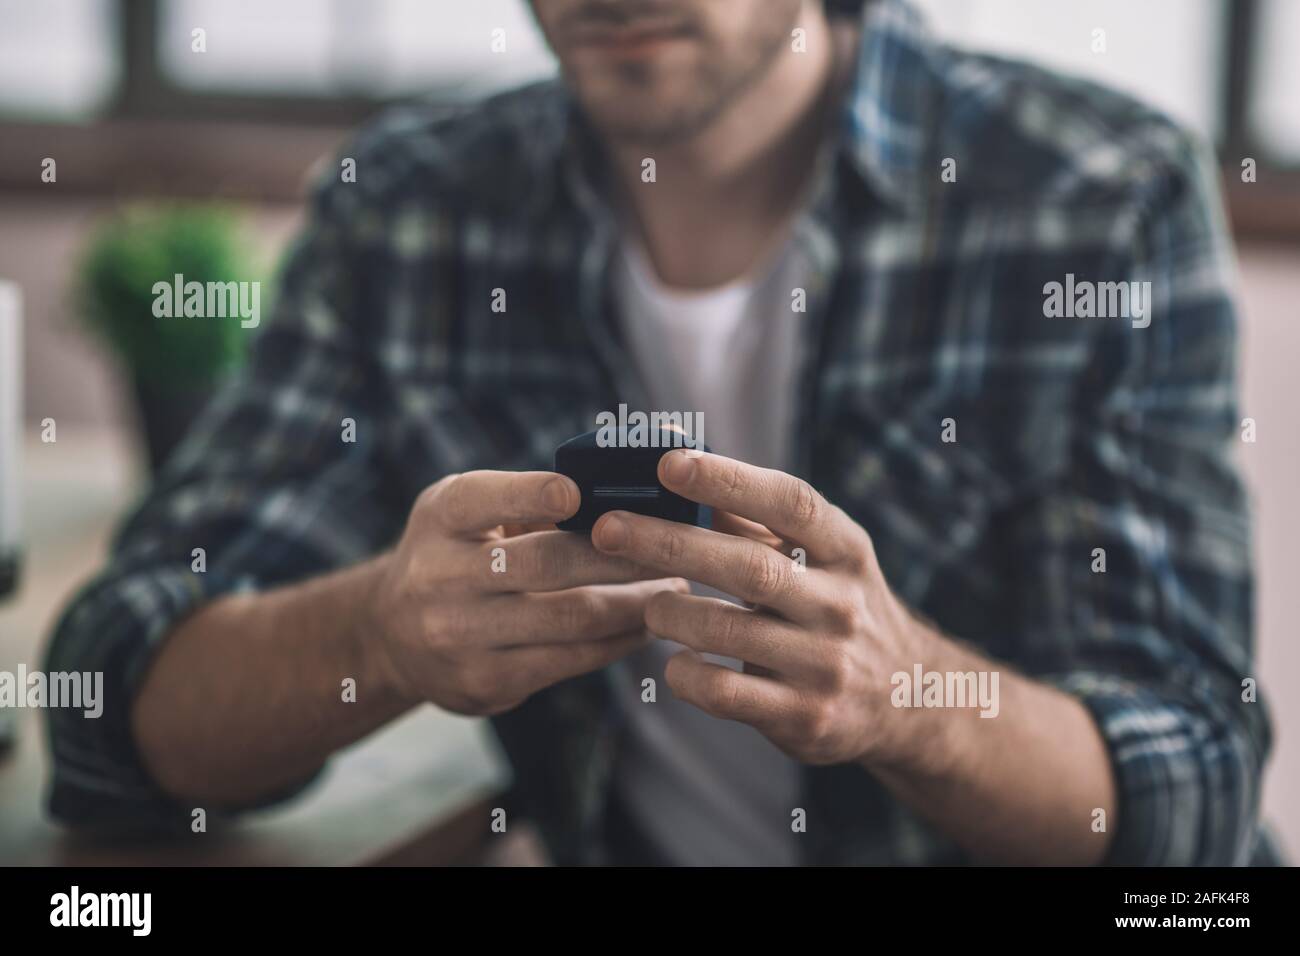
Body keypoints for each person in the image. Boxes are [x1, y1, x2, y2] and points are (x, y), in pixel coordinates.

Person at [45, 0, 1273, 865]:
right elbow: (112, 702)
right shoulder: (412, 214)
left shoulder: (1098, 196)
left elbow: (1194, 794)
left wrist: (910, 700)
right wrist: (377, 633)